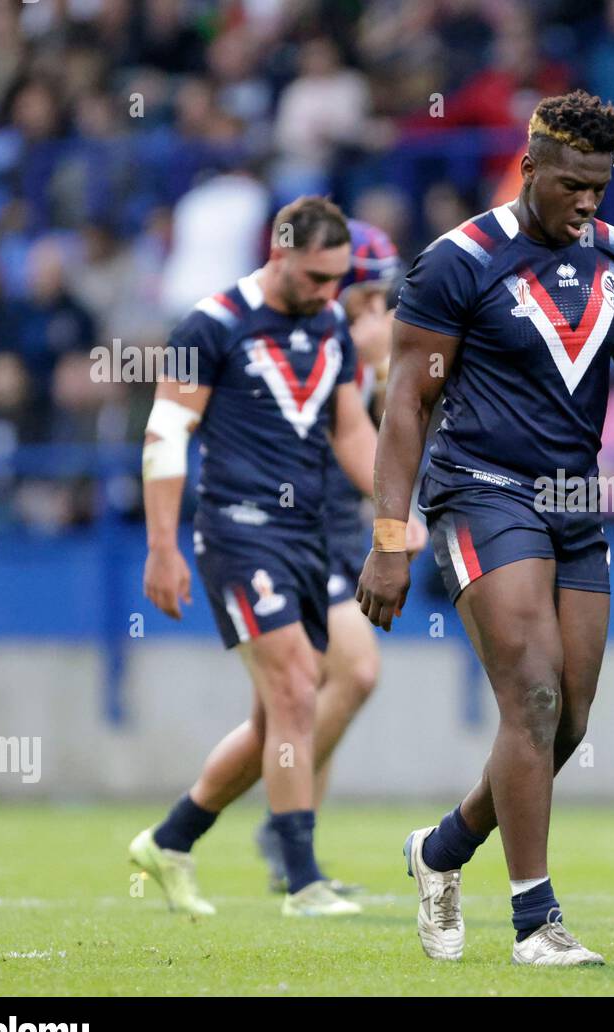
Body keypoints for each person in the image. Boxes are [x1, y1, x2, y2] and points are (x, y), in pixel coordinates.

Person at [357, 90, 614, 966]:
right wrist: (391, 539)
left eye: (602, 185)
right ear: (529, 167)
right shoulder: (456, 262)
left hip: (576, 502)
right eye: (574, 184)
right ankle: (535, 923)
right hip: (480, 491)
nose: (589, 202)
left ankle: (439, 853)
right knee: (533, 696)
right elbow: (406, 405)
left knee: (566, 723)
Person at [131, 196, 379, 918]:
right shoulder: (208, 326)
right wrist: (160, 546)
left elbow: (351, 429)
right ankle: (301, 880)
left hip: (307, 537)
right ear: (278, 253)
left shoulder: (329, 322)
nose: (328, 293)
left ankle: (171, 840)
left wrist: (397, 511)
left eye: (338, 279)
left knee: (278, 718)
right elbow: (165, 435)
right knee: (301, 686)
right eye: (313, 277)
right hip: (238, 530)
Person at [254, 219, 427, 893]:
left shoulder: (353, 346)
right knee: (351, 673)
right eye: (368, 295)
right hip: (292, 526)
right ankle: (277, 818)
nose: (379, 310)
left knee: (304, 693)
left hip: (334, 527)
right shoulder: (306, 340)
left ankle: (298, 860)